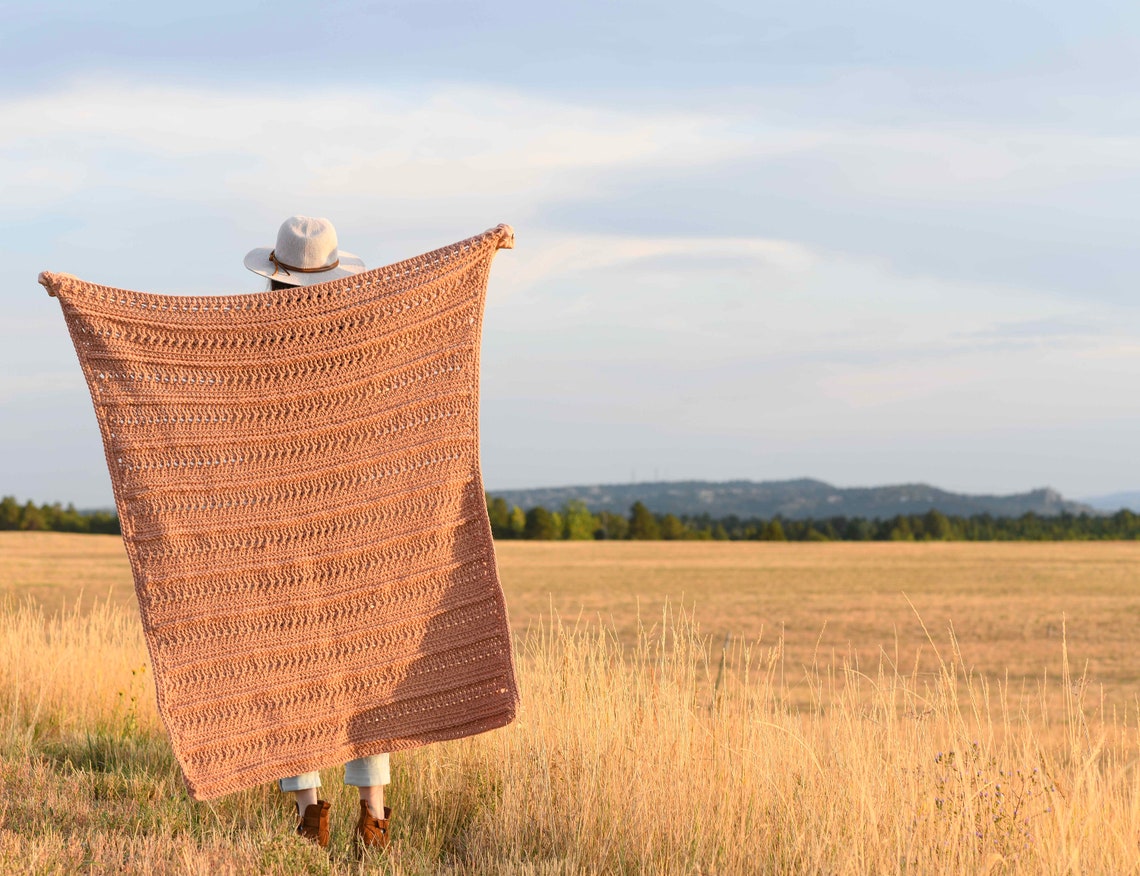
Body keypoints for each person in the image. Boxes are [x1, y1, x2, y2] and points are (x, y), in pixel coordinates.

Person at [244, 215, 391, 851]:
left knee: (292, 666)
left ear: (274, 277)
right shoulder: (356, 341)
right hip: (353, 526)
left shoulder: (249, 340)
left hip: (280, 527)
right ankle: (373, 816)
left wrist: (74, 298)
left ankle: (311, 811)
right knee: (363, 666)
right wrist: (487, 250)